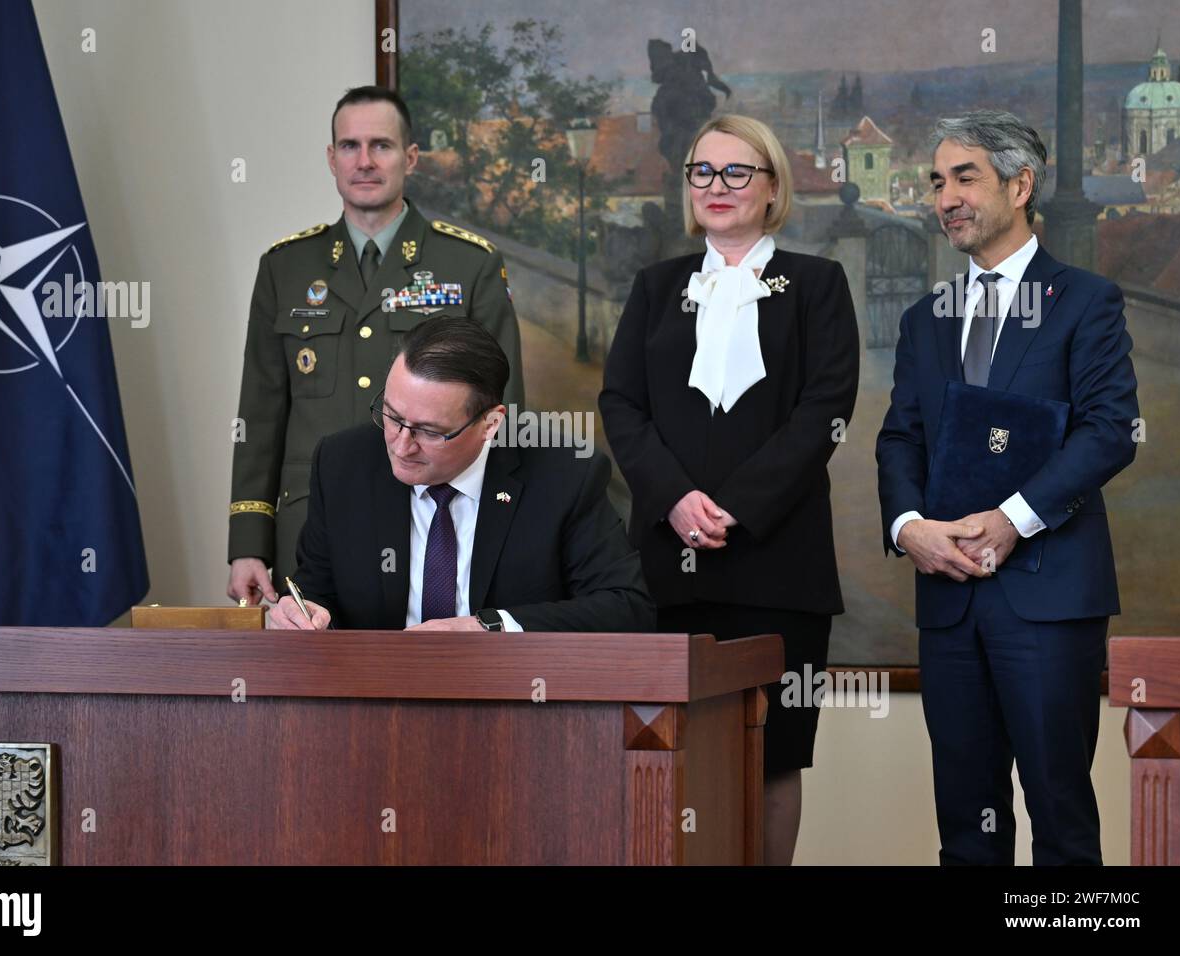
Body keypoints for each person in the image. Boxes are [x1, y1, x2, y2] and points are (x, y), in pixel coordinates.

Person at [876, 110, 1139, 865]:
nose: (945, 197)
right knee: (966, 823)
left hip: (1049, 596)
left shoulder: (1087, 300)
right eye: (937, 181)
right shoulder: (927, 318)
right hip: (949, 600)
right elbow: (900, 439)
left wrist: (1013, 520)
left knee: (1060, 817)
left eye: (965, 177)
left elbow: (1108, 430)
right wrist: (908, 528)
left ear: (1021, 185)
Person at [599, 114, 860, 865]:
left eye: (736, 171)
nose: (717, 186)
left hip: (782, 570)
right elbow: (621, 403)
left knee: (777, 757)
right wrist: (675, 499)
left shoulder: (817, 284)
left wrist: (737, 509)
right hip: (665, 566)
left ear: (773, 185)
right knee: (665, 751)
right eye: (702, 172)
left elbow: (825, 410)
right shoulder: (655, 288)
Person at [228, 85, 525, 606]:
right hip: (312, 523)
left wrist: (505, 526)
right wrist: (248, 543)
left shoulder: (469, 263)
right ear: (331, 157)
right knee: (312, 678)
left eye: (381, 146)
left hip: (436, 518)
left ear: (410, 157)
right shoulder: (284, 267)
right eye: (349, 146)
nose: (364, 161)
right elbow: (260, 412)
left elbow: (506, 409)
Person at [269, 317, 653, 634]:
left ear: (490, 424)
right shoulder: (343, 465)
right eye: (391, 416)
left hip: (516, 702)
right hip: (376, 700)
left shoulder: (565, 475)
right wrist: (301, 614)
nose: (401, 446)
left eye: (430, 431)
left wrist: (490, 627)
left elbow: (625, 608)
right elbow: (317, 591)